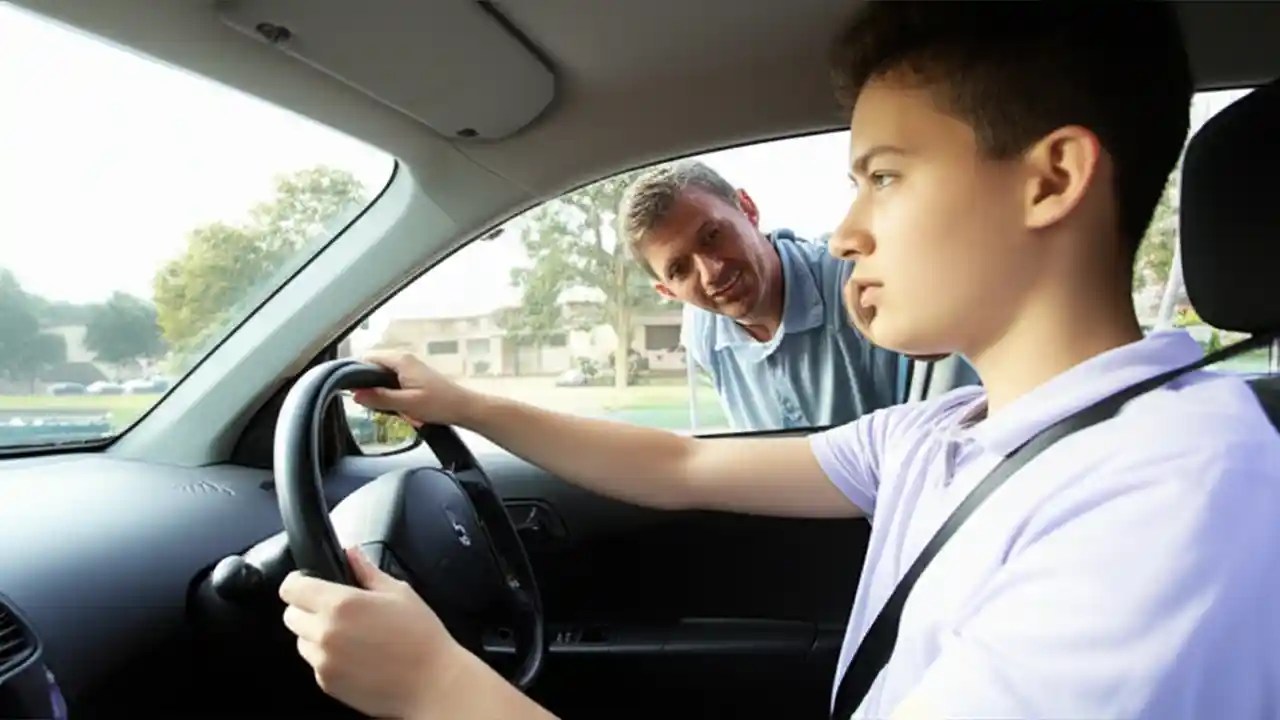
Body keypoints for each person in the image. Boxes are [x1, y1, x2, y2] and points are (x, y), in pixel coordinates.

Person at [278, 2, 1280, 719]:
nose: (842, 231)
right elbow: (679, 466)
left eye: (882, 176)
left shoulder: (1176, 491)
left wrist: (438, 691)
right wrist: (466, 401)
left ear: (1050, 178)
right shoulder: (941, 432)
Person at [618, 160, 905, 430]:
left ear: (748, 209)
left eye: (712, 235)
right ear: (668, 292)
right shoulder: (701, 330)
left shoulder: (854, 280)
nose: (711, 272)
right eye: (680, 270)